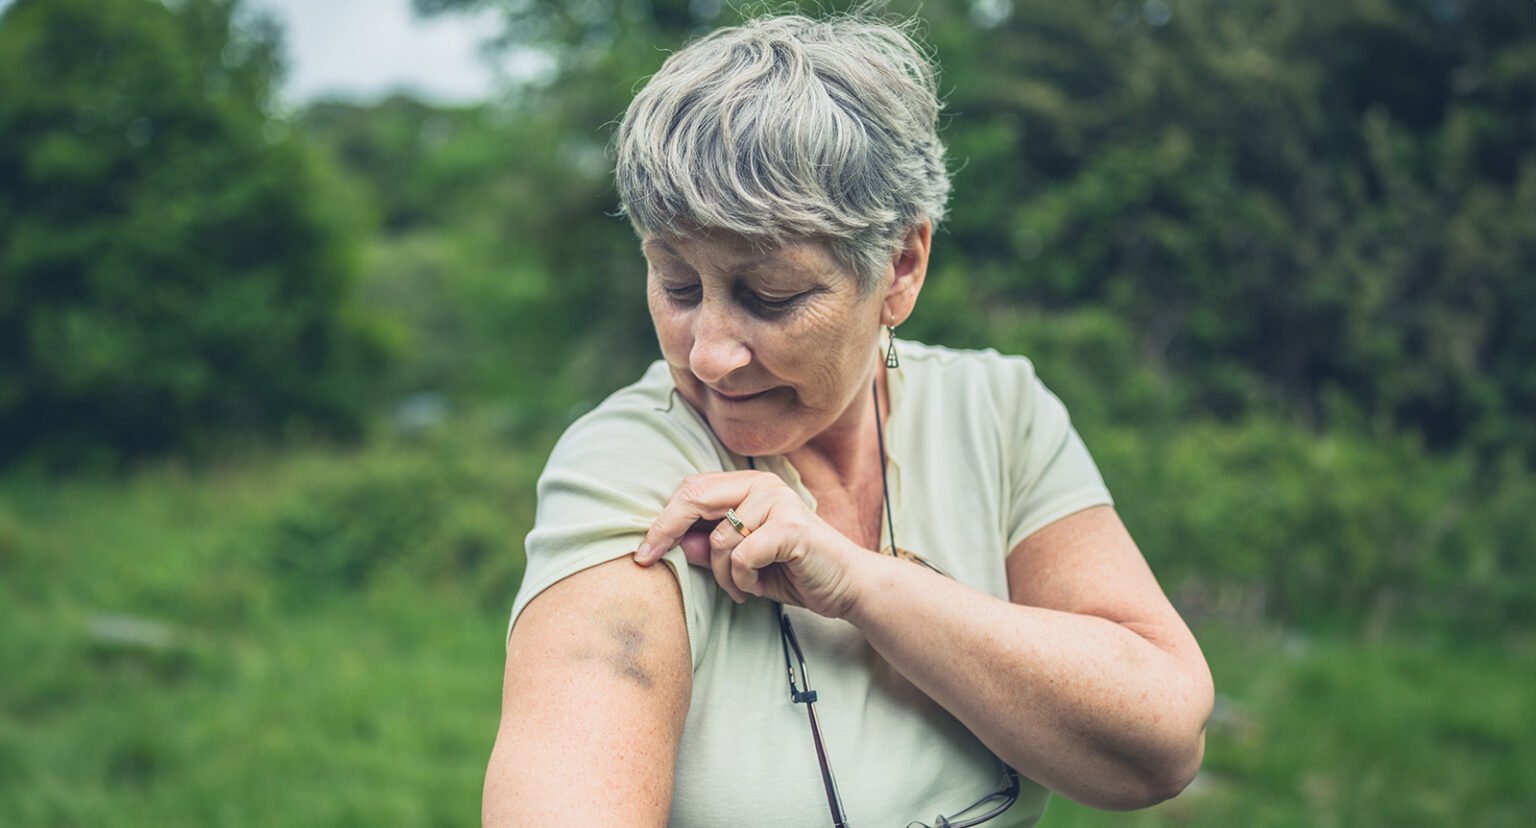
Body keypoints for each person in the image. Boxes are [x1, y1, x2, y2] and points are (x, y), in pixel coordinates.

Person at [483, 11, 1212, 827]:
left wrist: (865, 586)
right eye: (677, 285)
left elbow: (1162, 744)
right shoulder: (627, 473)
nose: (710, 353)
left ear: (901, 267)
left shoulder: (997, 411)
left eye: (771, 296)